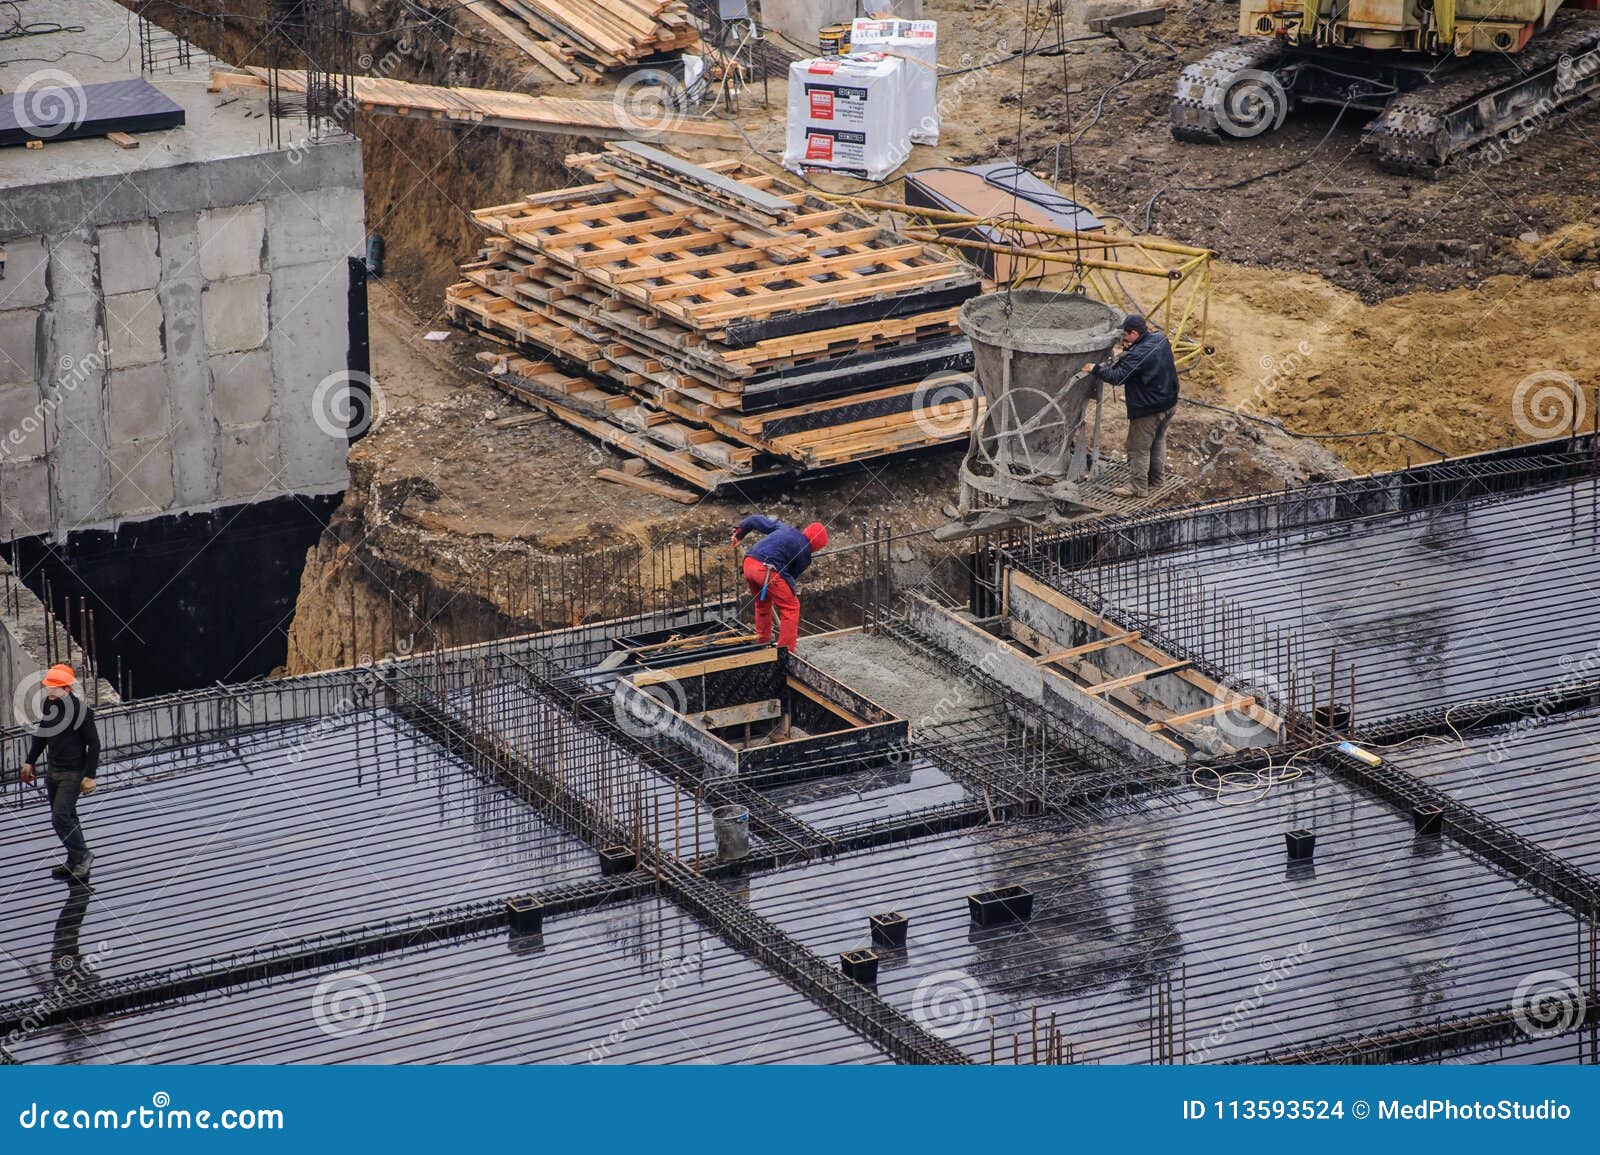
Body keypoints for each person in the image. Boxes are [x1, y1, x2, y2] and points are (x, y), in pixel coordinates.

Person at [1083, 313, 1180, 497]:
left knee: (1138, 447)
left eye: (1125, 335)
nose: (1123, 339)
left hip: (1149, 409)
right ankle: (1157, 480)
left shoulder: (1137, 355)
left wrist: (1094, 369)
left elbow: (1118, 377)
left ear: (1134, 333)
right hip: (1169, 402)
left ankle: (1138, 487)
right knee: (1158, 441)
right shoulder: (1160, 338)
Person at [20, 664, 100, 884]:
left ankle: (83, 855)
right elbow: (42, 734)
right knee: (68, 816)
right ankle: (74, 858)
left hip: (73, 773)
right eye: (48, 688)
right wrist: (30, 761)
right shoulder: (50, 704)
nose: (49, 692)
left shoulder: (82, 712)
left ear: (66, 688)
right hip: (54, 770)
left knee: (60, 817)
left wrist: (90, 776)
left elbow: (94, 745)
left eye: (54, 688)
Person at [731, 516, 829, 651]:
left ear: (806, 531)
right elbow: (789, 577)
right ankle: (786, 650)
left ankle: (762, 641)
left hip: (748, 563)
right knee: (791, 607)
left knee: (762, 604)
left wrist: (739, 533)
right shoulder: (805, 555)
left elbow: (754, 520)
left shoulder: (785, 528)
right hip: (766, 570)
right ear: (817, 547)